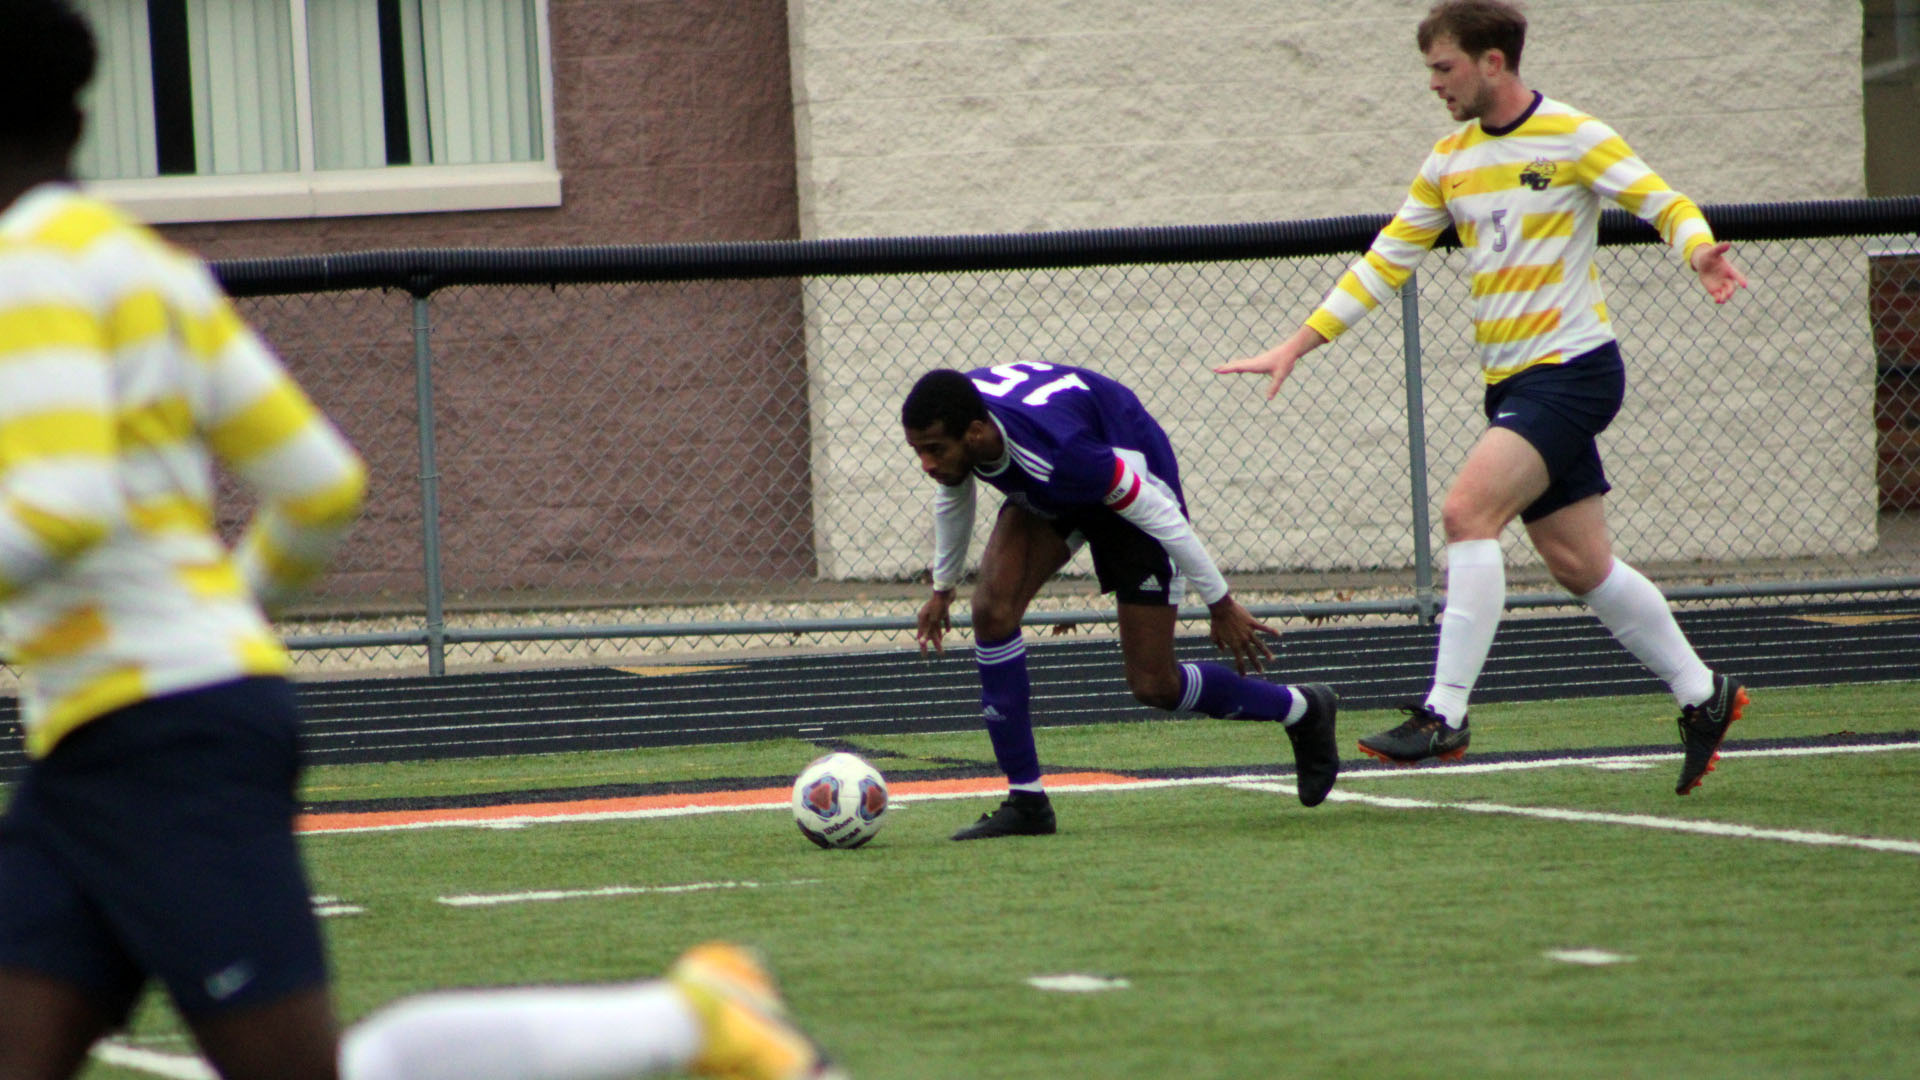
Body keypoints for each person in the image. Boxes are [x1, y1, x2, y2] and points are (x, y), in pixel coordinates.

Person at [0, 4, 842, 1080]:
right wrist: (223, 626)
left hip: (155, 740)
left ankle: (686, 1020)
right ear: (79, 114)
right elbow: (319, 484)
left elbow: (64, 501)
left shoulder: (22, 266)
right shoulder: (142, 266)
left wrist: (191, 653)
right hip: (124, 733)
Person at [1215, 0, 1748, 795]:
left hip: (1574, 369)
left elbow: (1661, 201)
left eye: (1444, 68)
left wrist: (1700, 250)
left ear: (1493, 61)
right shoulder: (1448, 160)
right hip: (1514, 382)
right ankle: (1705, 695)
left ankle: (1445, 713)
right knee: (1580, 563)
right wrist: (1297, 343)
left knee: (1468, 513)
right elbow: (1385, 260)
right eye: (1431, 70)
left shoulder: (1573, 134)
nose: (1435, 85)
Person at [902, 363, 1340, 840]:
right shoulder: (962, 408)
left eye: (934, 450)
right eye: (918, 450)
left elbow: (1159, 511)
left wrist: (1220, 603)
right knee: (991, 612)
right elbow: (953, 489)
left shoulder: (1058, 454)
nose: (925, 463)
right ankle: (1027, 801)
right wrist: (943, 589)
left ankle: (1302, 708)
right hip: (1068, 471)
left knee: (1155, 684)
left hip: (1132, 485)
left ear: (976, 431)